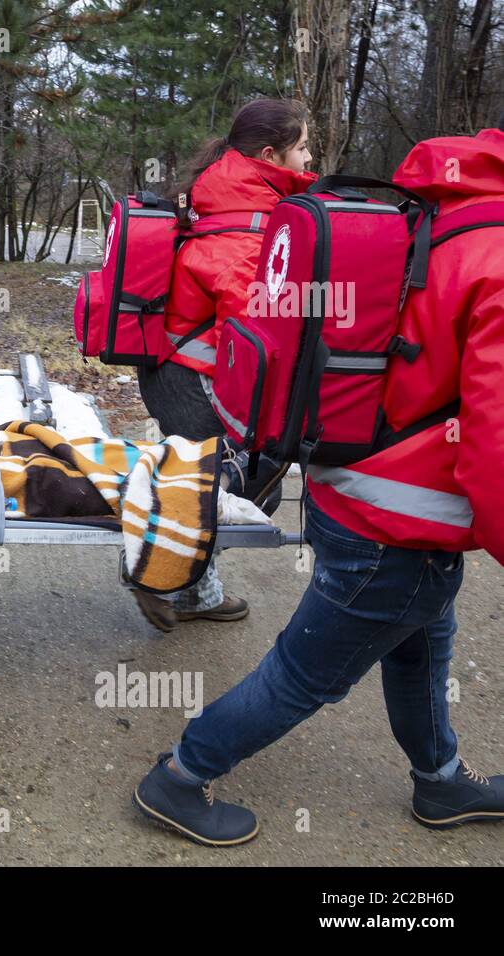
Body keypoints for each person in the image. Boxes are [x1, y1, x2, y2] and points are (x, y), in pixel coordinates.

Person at [132, 122, 504, 847]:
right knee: (306, 676)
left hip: (352, 483)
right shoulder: (497, 248)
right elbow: (494, 434)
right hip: (402, 523)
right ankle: (177, 778)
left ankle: (441, 780)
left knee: (423, 648)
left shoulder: (432, 211)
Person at [132, 98, 317, 633]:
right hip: (193, 385)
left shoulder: (234, 198)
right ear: (270, 154)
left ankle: (191, 588)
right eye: (302, 147)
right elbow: (255, 332)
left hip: (180, 373)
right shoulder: (246, 227)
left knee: (226, 482)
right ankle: (157, 571)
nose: (309, 159)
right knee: (245, 479)